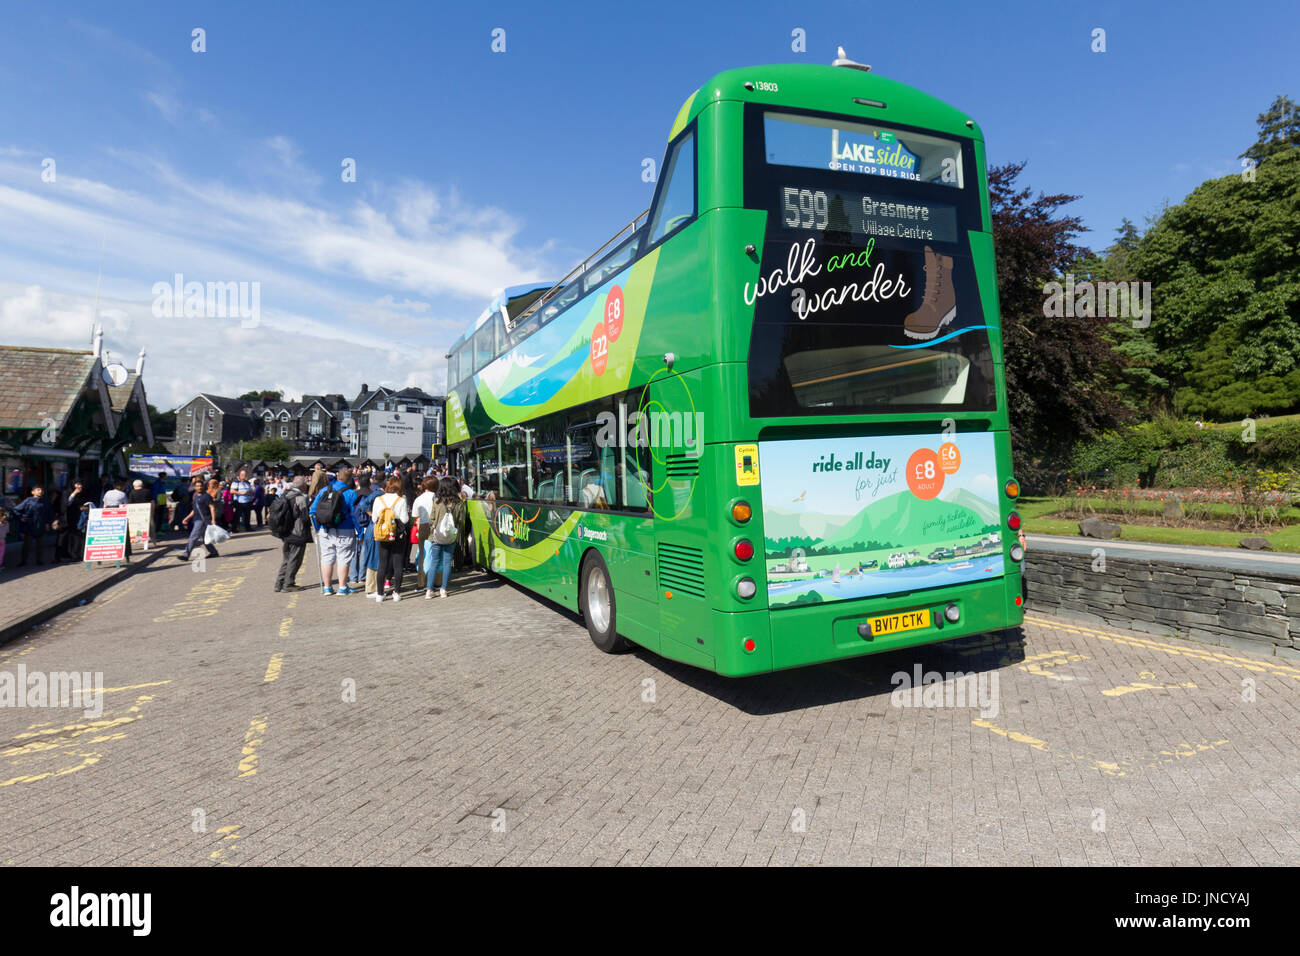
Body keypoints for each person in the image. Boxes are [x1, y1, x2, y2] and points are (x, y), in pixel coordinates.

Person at [309, 466, 361, 596]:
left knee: (327, 557)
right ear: (350, 480)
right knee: (343, 557)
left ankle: (327, 587)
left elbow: (312, 511)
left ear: (338, 477)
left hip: (324, 529)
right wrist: (359, 532)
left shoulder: (324, 490)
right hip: (345, 529)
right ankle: (342, 587)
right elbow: (355, 515)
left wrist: (317, 527)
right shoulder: (351, 493)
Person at [370, 476, 411, 602]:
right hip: (397, 534)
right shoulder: (401, 500)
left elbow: (374, 519)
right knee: (397, 563)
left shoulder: (378, 499)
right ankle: (397, 593)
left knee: (382, 563)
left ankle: (380, 594)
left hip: (383, 534)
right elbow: (405, 519)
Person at [425, 477, 467, 599]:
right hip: (451, 537)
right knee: (447, 561)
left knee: (434, 561)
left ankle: (429, 590)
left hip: (437, 536)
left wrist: (434, 529)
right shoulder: (459, 503)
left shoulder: (437, 501)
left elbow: (431, 518)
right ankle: (443, 589)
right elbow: (461, 520)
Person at [273, 476, 313, 592]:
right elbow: (305, 518)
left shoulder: (285, 495)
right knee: (295, 559)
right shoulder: (300, 498)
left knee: (286, 558)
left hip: (285, 532)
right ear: (303, 486)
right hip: (297, 532)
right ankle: (288, 584)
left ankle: (279, 583)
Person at [178, 477, 219, 561]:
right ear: (194, 487)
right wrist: (186, 518)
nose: (199, 487)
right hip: (197, 519)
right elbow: (194, 510)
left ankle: (186, 555)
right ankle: (214, 552)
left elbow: (212, 508)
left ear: (203, 486)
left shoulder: (206, 496)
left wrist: (213, 519)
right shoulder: (195, 497)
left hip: (203, 520)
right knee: (204, 539)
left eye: (201, 486)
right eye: (197, 486)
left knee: (193, 537)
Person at [412, 476, 438, 592]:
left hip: (423, 525)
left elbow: (415, 515)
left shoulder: (419, 499)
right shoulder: (437, 497)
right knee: (436, 554)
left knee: (422, 553)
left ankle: (421, 583)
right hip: (435, 526)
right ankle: (437, 581)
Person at [14, 486, 50, 566]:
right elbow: (16, 509)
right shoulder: (28, 500)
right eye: (38, 490)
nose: (40, 491)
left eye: (41, 490)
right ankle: (23, 561)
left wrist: (47, 523)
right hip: (29, 525)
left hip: (40, 525)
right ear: (33, 492)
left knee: (40, 544)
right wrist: (21, 517)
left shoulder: (45, 501)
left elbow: (48, 513)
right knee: (27, 545)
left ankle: (39, 560)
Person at [59, 481, 88, 561]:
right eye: (77, 484)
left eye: (80, 484)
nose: (79, 486)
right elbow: (66, 504)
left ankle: (79, 554)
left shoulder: (83, 493)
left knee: (79, 537)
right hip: (69, 519)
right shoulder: (67, 493)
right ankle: (69, 554)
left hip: (80, 519)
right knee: (70, 537)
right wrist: (74, 494)